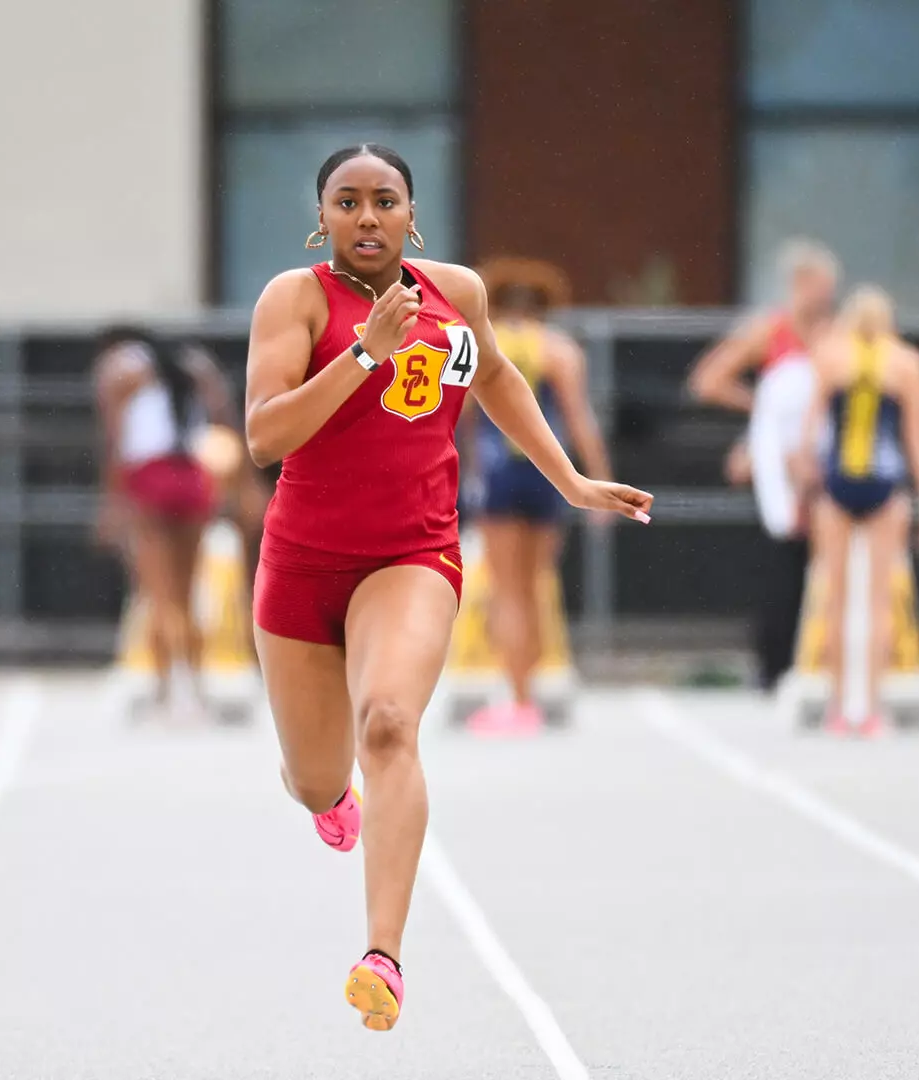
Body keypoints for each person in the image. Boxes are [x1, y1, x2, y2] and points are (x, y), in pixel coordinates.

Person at [244, 143, 651, 1031]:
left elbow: (499, 379)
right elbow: (265, 438)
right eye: (346, 202)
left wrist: (571, 480)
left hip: (411, 554)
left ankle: (382, 955)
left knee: (387, 724)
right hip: (303, 564)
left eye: (383, 200)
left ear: (410, 215)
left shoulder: (457, 294)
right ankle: (330, 799)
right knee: (316, 778)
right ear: (323, 220)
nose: (366, 217)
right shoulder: (295, 300)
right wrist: (359, 355)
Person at [462, 256, 612, 734]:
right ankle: (529, 691)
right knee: (536, 587)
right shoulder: (559, 349)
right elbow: (579, 420)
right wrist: (599, 478)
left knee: (506, 593)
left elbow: (460, 420)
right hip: (546, 475)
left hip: (500, 473)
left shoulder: (483, 347)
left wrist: (459, 473)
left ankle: (518, 696)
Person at [687, 240, 840, 691]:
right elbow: (708, 381)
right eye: (822, 287)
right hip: (782, 460)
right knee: (784, 560)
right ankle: (776, 663)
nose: (828, 297)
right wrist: (762, 422)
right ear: (801, 284)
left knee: (829, 559)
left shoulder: (836, 333)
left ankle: (823, 660)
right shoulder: (770, 331)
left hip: (826, 453)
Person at [795, 288, 919, 735]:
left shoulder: (829, 356)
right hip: (885, 484)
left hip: (838, 484)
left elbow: (809, 432)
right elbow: (917, 438)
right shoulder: (907, 363)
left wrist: (806, 489)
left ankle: (841, 708)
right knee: (879, 602)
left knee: (835, 601)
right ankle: (873, 709)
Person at [92, 325, 239, 720]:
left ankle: (167, 693)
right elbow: (221, 418)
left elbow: (116, 441)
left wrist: (112, 503)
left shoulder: (118, 369)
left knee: (157, 596)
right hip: (192, 476)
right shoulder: (192, 365)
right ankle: (194, 687)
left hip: (150, 479)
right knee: (187, 595)